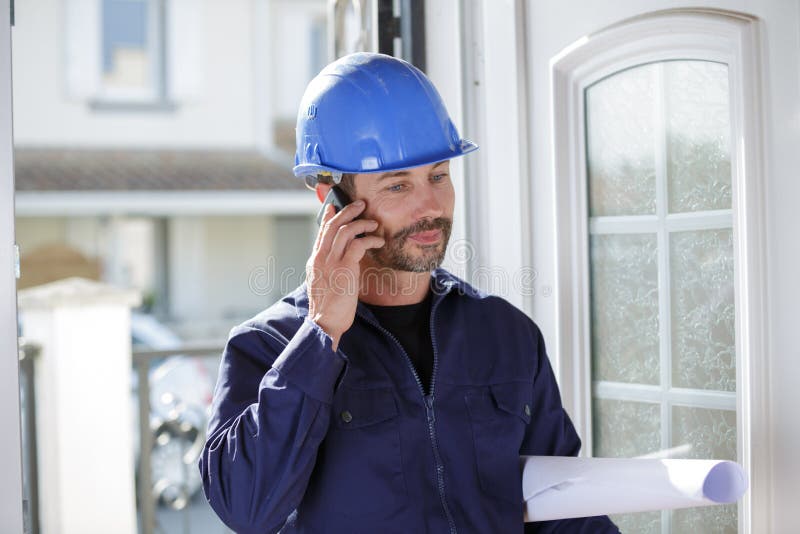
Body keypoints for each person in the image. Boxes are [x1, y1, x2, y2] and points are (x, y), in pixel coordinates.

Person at [199, 52, 619, 533]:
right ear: (331, 199)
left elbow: (567, 512)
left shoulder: (506, 333)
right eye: (398, 186)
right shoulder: (266, 346)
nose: (430, 206)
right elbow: (246, 508)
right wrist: (322, 332)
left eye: (438, 176)